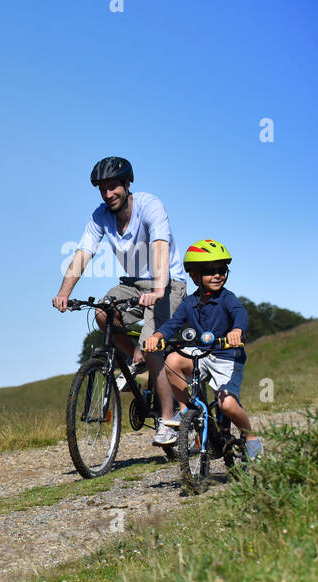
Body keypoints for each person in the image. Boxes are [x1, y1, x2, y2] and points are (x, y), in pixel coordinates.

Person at [53, 156, 189, 445]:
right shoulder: (100, 215)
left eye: (113, 186)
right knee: (103, 313)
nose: (108, 194)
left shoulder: (150, 205)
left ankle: (167, 419)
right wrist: (63, 292)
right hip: (133, 284)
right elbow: (82, 254)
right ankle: (134, 357)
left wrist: (159, 289)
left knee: (154, 345)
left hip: (168, 281)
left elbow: (160, 246)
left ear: (128, 184)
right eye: (102, 189)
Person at [144, 240, 262, 460]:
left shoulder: (227, 298)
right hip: (202, 354)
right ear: (195, 276)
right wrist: (157, 336)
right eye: (210, 271)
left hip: (227, 356)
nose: (217, 275)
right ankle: (188, 408)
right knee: (171, 360)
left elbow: (240, 314)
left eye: (222, 270)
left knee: (226, 404)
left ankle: (250, 436)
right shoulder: (189, 302)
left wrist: (236, 330)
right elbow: (173, 324)